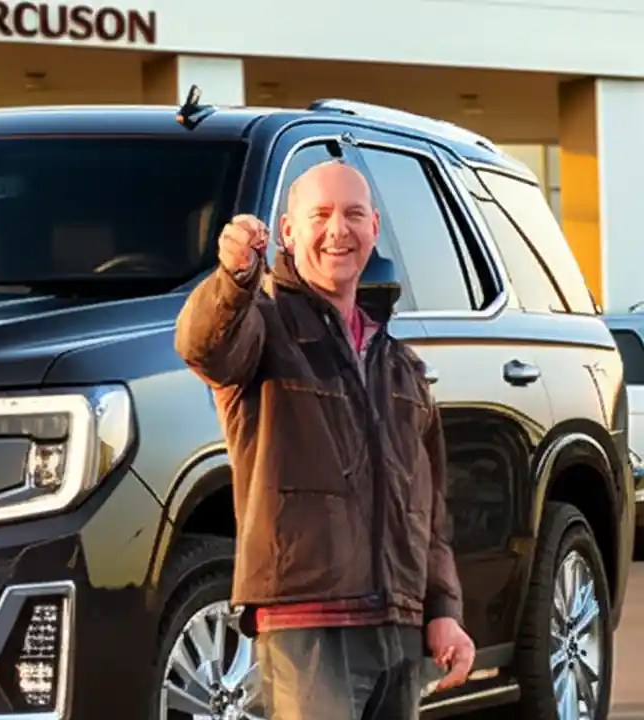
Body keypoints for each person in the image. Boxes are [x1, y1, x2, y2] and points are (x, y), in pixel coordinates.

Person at [174, 159, 475, 719]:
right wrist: (234, 278)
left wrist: (443, 609)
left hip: (398, 627)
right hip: (305, 626)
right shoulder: (261, 327)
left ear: (374, 228)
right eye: (321, 215)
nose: (338, 230)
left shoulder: (401, 365)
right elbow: (202, 346)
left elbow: (429, 511)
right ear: (288, 231)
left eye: (353, 215)